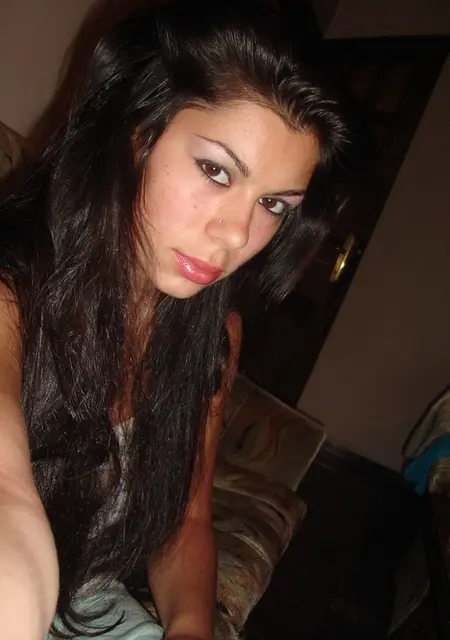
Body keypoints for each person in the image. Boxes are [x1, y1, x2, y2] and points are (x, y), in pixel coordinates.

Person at [0, 0, 350, 638]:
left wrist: (190, 626)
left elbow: (186, 521)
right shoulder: (11, 282)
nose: (238, 234)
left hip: (87, 600)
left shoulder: (214, 337)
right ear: (136, 134)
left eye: (274, 204)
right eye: (216, 170)